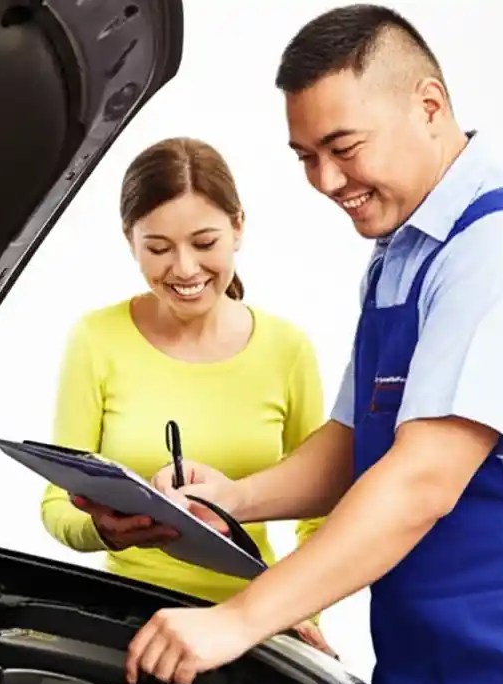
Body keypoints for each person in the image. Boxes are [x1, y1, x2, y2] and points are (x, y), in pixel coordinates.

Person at [122, 5, 503, 684]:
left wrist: (239, 618)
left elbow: (421, 480)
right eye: (306, 156)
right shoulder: (402, 253)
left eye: (344, 147)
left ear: (428, 105)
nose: (327, 180)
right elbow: (355, 444)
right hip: (424, 656)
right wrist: (230, 501)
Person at [40, 136, 334, 655]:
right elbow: (56, 505)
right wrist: (105, 531)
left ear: (238, 227)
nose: (183, 269)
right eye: (158, 248)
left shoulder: (287, 349)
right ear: (130, 239)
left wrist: (298, 611)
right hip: (125, 615)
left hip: (251, 625)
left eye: (204, 243)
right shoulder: (96, 339)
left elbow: (322, 513)